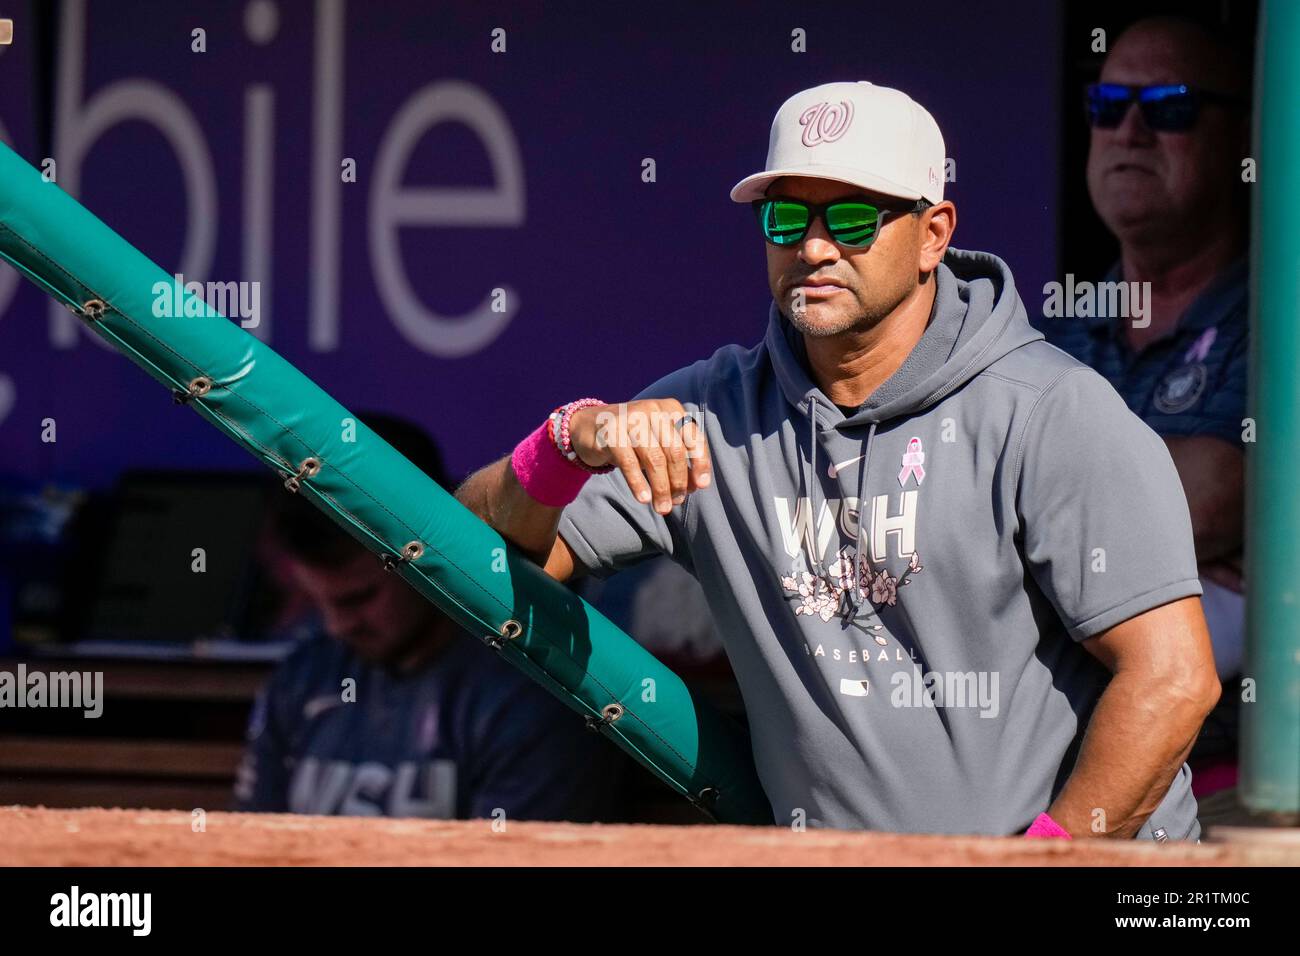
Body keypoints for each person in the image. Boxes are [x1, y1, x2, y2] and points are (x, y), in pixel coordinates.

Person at [457, 81, 1223, 841]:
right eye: (787, 216)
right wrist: (563, 443)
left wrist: (1044, 864)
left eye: (855, 218)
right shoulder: (712, 415)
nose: (814, 246)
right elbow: (473, 547)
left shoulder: (1050, 408)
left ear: (934, 234)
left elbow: (1173, 679)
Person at [235, 413, 626, 822]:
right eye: (319, 601)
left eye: (359, 597)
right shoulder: (304, 678)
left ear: (424, 553)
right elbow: (248, 846)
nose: (338, 625)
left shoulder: (530, 697)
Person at [1047, 15, 1251, 684]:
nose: (1128, 131)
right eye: (1107, 106)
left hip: (1233, 764)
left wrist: (1035, 505)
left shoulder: (1276, 313)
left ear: (1243, 136)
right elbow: (971, 494)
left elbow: (1216, 495)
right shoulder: (1056, 325)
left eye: (1171, 108)